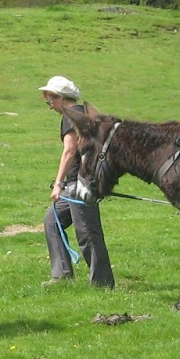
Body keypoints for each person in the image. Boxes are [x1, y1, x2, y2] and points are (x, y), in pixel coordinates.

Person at [40, 75, 114, 288]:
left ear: (62, 98)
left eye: (50, 100)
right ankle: (61, 273)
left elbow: (69, 150)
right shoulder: (84, 113)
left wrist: (58, 183)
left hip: (80, 184)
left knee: (88, 233)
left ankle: (102, 283)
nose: (49, 105)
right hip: (77, 183)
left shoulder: (71, 116)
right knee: (52, 222)